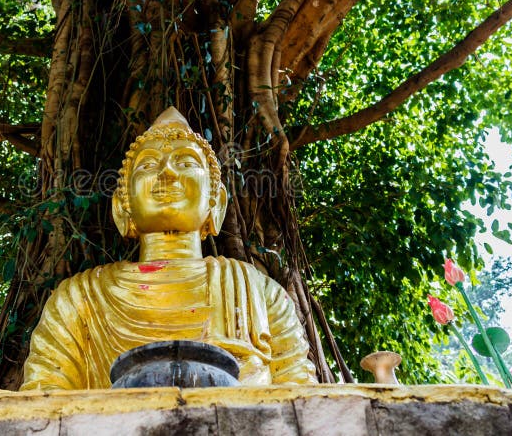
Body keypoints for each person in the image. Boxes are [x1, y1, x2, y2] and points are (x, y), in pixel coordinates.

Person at [21, 107, 317, 390]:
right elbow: (42, 400)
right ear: (122, 207)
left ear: (217, 204)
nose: (167, 173)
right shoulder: (79, 298)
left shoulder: (260, 294)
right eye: (148, 164)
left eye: (186, 162)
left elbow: (301, 396)